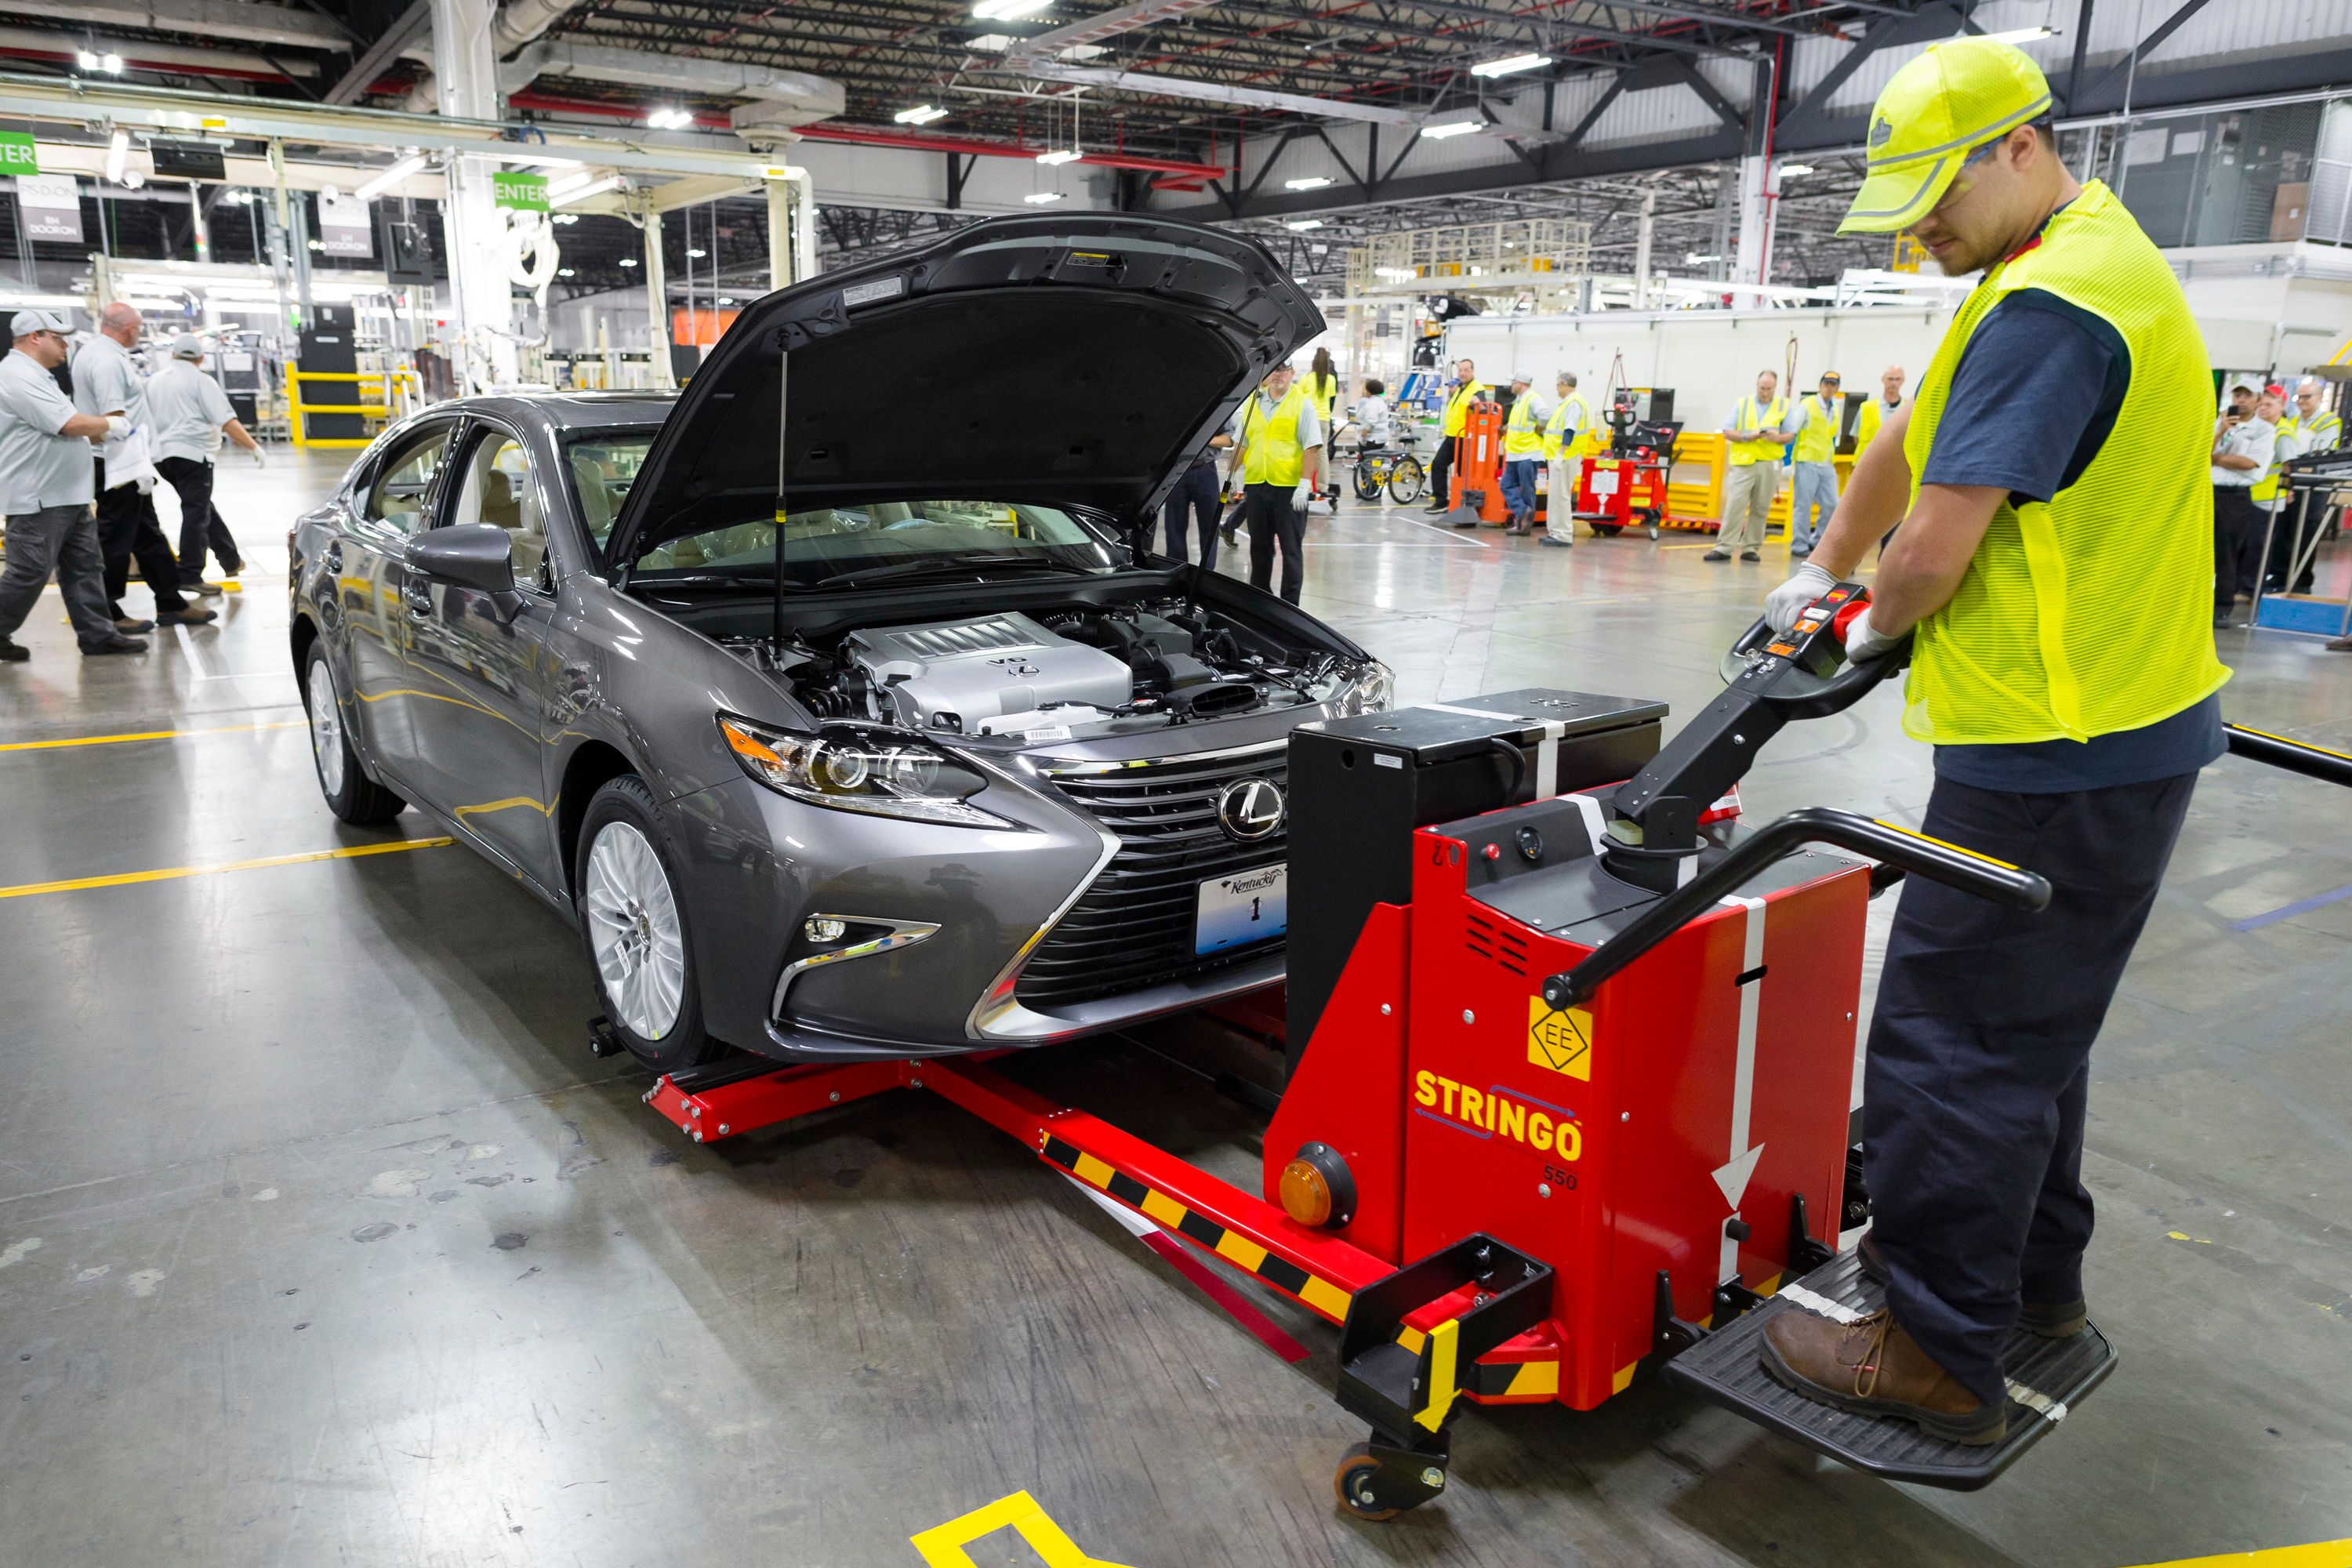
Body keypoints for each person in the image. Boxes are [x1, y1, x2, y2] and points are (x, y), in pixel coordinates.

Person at [1755, 38, 2230, 1448]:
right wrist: (1815, 562)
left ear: (2018, 144)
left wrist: (1866, 618)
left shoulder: (2049, 307)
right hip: (2120, 733)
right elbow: (1912, 432)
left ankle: (1936, 1351)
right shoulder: (2060, 261)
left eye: (1930, 196)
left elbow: (1935, 549)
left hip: (2054, 742)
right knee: (2032, 1038)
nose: (1915, 229)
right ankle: (2031, 1295)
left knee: (1951, 1047)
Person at [0, 310, 146, 660]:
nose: (64, 344)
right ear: (35, 337)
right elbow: (66, 424)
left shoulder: (40, 376)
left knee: (84, 566)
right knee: (29, 571)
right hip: (39, 495)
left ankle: (97, 635)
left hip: (67, 492)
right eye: (57, 336)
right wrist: (112, 425)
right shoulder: (17, 375)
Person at [71, 303, 212, 631]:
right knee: (116, 538)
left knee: (148, 535)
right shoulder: (106, 360)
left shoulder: (98, 353)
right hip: (119, 464)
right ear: (128, 328)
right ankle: (106, 610)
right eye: (138, 327)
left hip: (126, 463)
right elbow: (114, 418)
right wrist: (135, 466)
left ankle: (170, 602)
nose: (139, 332)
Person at [147, 333, 262, 594]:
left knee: (200, 505)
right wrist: (253, 446)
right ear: (200, 358)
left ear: (173, 354)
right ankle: (189, 573)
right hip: (193, 454)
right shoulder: (201, 380)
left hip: (162, 458)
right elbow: (227, 420)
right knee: (196, 511)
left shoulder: (153, 382)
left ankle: (230, 560)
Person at [1227, 362, 1321, 604]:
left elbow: (1312, 447)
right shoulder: (1252, 404)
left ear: (1293, 373)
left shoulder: (1302, 404)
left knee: (1290, 550)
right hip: (1257, 485)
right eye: (1275, 370)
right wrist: (1231, 476)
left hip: (1288, 489)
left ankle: (1290, 605)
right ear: (1267, 373)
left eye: (1284, 370)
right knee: (1259, 547)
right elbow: (1241, 444)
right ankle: (1260, 600)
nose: (1278, 375)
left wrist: (1304, 484)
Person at [2250, 376, 2342, 596]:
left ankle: (2302, 581)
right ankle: (2280, 576)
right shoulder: (2291, 421)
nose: (2301, 401)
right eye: (2298, 397)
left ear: (2319, 398)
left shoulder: (2328, 421)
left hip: (2313, 486)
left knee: (2305, 532)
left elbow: (2318, 450)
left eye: (2307, 396)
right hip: (2289, 483)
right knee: (2283, 532)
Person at [1705, 368, 1793, 561]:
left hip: (1769, 464)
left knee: (1761, 508)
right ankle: (1724, 547)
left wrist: (1775, 437)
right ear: (1757, 385)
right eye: (1762, 388)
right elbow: (1727, 431)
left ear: (1775, 387)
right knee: (1735, 506)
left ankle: (1750, 548)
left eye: (1769, 389)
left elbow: (1790, 435)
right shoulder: (1742, 404)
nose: (1765, 392)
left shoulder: (1783, 406)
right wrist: (1746, 437)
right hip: (1743, 463)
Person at [2210, 384, 2275, 629]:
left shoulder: (2263, 430)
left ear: (2258, 400)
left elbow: (2249, 463)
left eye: (2248, 396)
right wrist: (2221, 431)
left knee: (2227, 554)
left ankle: (2222, 608)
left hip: (2235, 498)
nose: (2242, 400)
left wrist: (2214, 458)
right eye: (2238, 395)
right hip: (2208, 492)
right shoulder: (2220, 422)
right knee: (2196, 550)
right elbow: (2199, 451)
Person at [1788, 372, 1846, 558]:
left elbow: (1833, 436)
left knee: (1832, 504)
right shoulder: (1808, 405)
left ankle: (1817, 540)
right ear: (1820, 385)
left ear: (1837, 388)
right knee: (1803, 506)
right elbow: (1792, 432)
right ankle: (1799, 545)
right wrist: (1788, 462)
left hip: (1826, 464)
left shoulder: (1836, 408)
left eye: (1833, 385)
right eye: (1826, 384)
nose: (1829, 387)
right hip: (1807, 462)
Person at [1424, 358, 1489, 514]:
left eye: (1466, 370)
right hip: (1452, 436)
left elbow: (1484, 410)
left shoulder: (1477, 389)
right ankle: (1441, 501)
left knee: (1462, 473)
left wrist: (1477, 403)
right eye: (1460, 370)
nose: (1463, 373)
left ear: (1472, 371)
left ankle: (1464, 507)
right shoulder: (1459, 388)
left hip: (1466, 439)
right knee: (1438, 465)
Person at [1161, 430, 1231, 571]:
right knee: (1174, 527)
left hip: (1205, 470)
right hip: (1176, 469)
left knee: (1210, 526)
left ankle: (1206, 574)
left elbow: (1228, 439)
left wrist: (1203, 437)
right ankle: (1177, 574)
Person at [1540, 371, 1589, 549]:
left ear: (1565, 384)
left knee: (1561, 496)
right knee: (1555, 496)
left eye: (1558, 384)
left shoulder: (1574, 403)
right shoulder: (1567, 403)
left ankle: (1563, 534)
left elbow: (1569, 430)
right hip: (1559, 456)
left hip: (1566, 456)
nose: (1557, 388)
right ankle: (1555, 532)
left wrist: (1561, 454)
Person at [1498, 372, 1546, 535]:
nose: (1511, 385)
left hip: (1528, 452)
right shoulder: (1519, 401)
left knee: (1527, 489)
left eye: (1513, 382)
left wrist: (1539, 429)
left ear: (1521, 383)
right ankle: (1523, 513)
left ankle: (1524, 525)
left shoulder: (1532, 398)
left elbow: (1546, 417)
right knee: (1505, 485)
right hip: (1515, 453)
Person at [1305, 347, 1343, 514]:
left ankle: (1304, 482)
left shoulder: (1307, 379)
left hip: (1308, 419)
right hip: (1324, 419)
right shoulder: (1331, 380)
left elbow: (1299, 399)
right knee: (1322, 453)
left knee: (1305, 451)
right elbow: (1331, 398)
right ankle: (1322, 486)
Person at [1854, 364, 1906, 456]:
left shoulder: (1908, 410)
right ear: (1883, 379)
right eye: (1890, 379)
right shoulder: (1866, 407)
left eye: (1898, 379)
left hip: (1895, 465)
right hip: (1866, 465)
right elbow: (1856, 437)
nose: (1894, 383)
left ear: (1903, 381)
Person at [1352, 378, 1392, 450]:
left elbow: (1370, 421)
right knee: (1373, 459)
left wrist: (1363, 437)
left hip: (1372, 439)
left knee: (1368, 460)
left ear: (1369, 391)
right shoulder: (1379, 401)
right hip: (1377, 438)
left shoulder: (1373, 403)